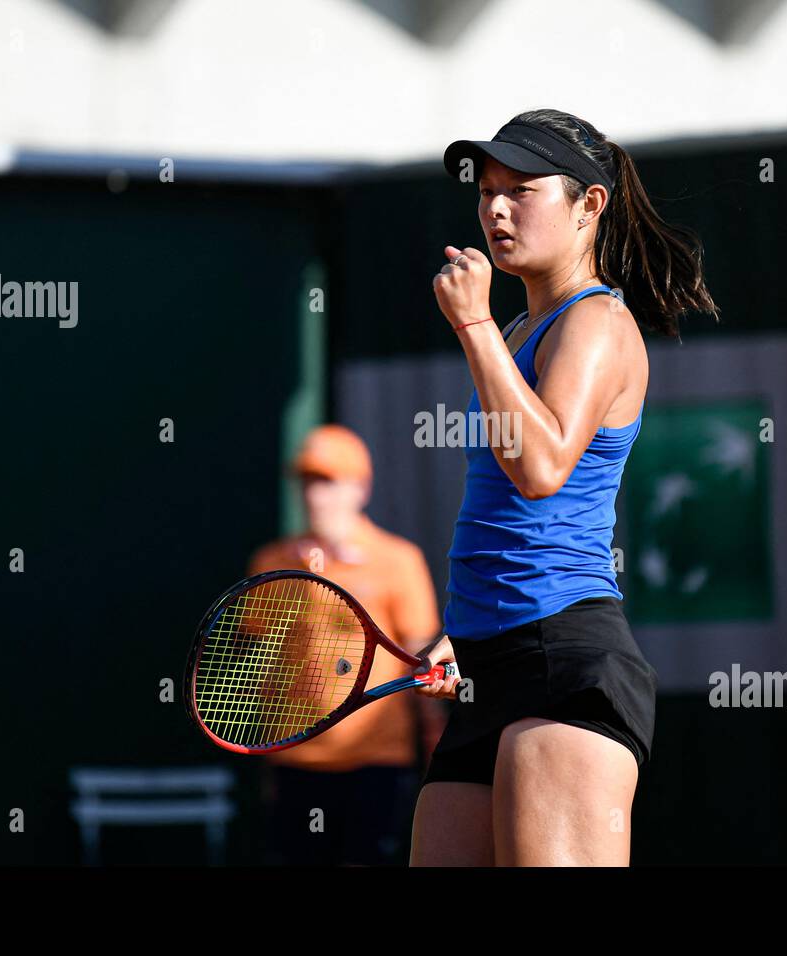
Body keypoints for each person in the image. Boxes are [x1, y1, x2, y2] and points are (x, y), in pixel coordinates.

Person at [409, 108, 717, 866]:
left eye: (522, 189)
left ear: (589, 205)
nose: (496, 208)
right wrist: (467, 628)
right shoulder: (517, 333)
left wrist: (473, 325)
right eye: (486, 191)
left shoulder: (599, 323)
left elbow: (540, 470)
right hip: (488, 665)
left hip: (566, 668)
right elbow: (503, 509)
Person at [247, 423, 444, 866]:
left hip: (377, 762)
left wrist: (432, 746)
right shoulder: (270, 563)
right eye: (308, 483)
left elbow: (420, 666)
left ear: (361, 488)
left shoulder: (399, 561)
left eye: (329, 482)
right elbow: (258, 665)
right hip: (293, 760)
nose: (316, 496)